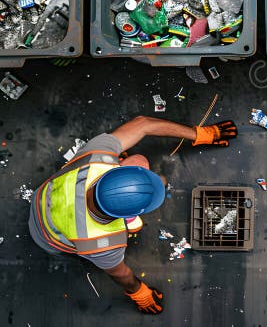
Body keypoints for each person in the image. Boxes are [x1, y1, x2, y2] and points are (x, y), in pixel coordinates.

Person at [28, 116, 238, 314]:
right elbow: (121, 274)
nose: (162, 182)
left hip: (44, 196)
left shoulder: (96, 155)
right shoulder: (102, 243)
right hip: (47, 237)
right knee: (136, 226)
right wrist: (139, 292)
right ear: (125, 216)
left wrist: (200, 134)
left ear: (112, 172)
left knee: (138, 160)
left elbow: (143, 124)